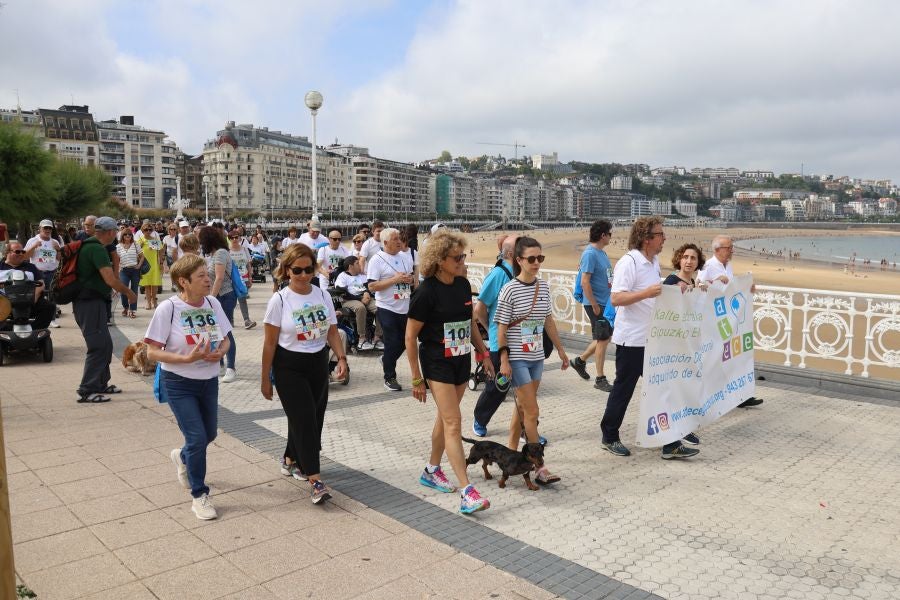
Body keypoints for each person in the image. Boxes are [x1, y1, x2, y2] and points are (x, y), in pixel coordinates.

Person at [406, 229, 494, 514]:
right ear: (440, 259)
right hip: (436, 362)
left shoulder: (462, 284)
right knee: (454, 423)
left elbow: (468, 323)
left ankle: (431, 470)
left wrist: (483, 353)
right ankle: (468, 492)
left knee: (445, 420)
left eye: (463, 256)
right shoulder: (425, 292)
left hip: (461, 359)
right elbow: (410, 337)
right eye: (457, 257)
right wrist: (417, 377)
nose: (462, 261)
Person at [600, 217, 699, 460]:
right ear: (647, 238)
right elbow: (616, 299)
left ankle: (670, 442)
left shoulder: (653, 261)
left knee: (663, 389)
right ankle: (609, 436)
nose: (664, 238)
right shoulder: (629, 262)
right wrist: (647, 292)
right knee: (624, 389)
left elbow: (654, 295)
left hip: (653, 338)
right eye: (660, 234)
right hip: (632, 340)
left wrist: (673, 291)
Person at [145, 254, 232, 520]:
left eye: (208, 275)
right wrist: (186, 358)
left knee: (209, 435)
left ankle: (182, 457)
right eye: (201, 277)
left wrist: (220, 352)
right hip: (179, 383)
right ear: (183, 282)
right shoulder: (168, 308)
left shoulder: (212, 303)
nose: (208, 280)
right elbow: (152, 353)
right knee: (196, 438)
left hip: (209, 380)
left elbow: (227, 339)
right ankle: (199, 495)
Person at [260, 243, 347, 505]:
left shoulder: (322, 296)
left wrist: (341, 358)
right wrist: (265, 378)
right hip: (288, 366)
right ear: (286, 270)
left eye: (309, 269)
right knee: (305, 419)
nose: (303, 275)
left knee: (312, 417)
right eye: (297, 270)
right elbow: (269, 343)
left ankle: (290, 458)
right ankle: (316, 480)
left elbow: (332, 331)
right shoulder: (280, 300)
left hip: (317, 363)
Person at [495, 236, 568, 485]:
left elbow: (548, 320)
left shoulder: (543, 287)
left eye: (540, 258)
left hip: (536, 356)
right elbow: (501, 328)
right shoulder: (509, 289)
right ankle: (540, 467)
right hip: (516, 358)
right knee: (533, 411)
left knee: (524, 409)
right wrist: (504, 360)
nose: (537, 263)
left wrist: (561, 349)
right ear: (519, 260)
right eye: (531, 258)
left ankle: (510, 454)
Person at [72, 217, 138, 403]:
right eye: (116, 231)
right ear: (109, 232)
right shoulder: (96, 249)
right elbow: (111, 280)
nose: (117, 234)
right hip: (89, 303)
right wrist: (129, 293)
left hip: (94, 302)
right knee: (97, 346)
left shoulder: (92, 246)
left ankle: (100, 383)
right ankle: (86, 390)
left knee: (106, 344)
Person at [700, 235, 763, 408]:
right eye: (728, 248)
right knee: (716, 361)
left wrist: (746, 288)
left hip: (729, 320)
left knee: (734, 357)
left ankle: (741, 396)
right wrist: (715, 281)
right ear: (717, 249)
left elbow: (731, 289)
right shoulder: (708, 266)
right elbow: (699, 286)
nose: (732, 250)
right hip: (714, 321)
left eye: (732, 247)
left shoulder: (728, 265)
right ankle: (710, 397)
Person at [662, 243, 707, 447]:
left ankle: (685, 428)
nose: (689, 261)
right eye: (685, 257)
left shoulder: (696, 285)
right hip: (673, 346)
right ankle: (672, 433)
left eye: (693, 258)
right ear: (679, 259)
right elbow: (664, 308)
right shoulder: (671, 281)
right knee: (675, 390)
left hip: (690, 346)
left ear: (698, 263)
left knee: (688, 389)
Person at [471, 235, 517, 437]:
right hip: (501, 341)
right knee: (499, 386)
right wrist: (491, 327)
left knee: (526, 390)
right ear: (510, 253)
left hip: (522, 341)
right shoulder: (498, 274)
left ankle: (526, 428)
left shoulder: (523, 273)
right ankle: (480, 418)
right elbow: (479, 308)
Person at [366, 227, 414, 391]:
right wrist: (394, 280)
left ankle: (386, 358)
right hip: (386, 307)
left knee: (405, 342)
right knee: (392, 341)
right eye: (395, 239)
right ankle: (389, 377)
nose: (399, 241)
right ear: (385, 242)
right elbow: (372, 286)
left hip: (405, 305)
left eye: (400, 238)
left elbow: (411, 278)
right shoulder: (376, 260)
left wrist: (410, 279)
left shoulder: (405, 257)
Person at [570, 220, 615, 391]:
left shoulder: (601, 253)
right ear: (603, 235)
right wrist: (595, 305)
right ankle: (600, 379)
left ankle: (579, 361)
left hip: (606, 302)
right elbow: (585, 282)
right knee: (603, 340)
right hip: (597, 303)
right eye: (610, 234)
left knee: (604, 337)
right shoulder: (590, 254)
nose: (611, 237)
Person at [199, 226, 238, 383]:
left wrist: (210, 300)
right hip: (219, 296)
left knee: (225, 332)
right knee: (215, 331)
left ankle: (231, 367)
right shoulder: (216, 254)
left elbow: (219, 278)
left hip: (224, 296)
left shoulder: (221, 253)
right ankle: (220, 363)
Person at [0, 241, 55, 331]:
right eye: (17, 252)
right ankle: (6, 330)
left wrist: (34, 297)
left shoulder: (31, 267)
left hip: (28, 300)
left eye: (23, 252)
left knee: (49, 306)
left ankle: (34, 330)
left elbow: (41, 284)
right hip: (4, 302)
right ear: (7, 253)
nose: (21, 254)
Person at [334, 256, 381, 350]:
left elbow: (368, 286)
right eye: (357, 263)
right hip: (349, 300)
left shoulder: (361, 275)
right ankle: (362, 339)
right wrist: (360, 299)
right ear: (350, 266)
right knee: (360, 308)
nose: (360, 265)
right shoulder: (342, 276)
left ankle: (377, 338)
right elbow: (343, 293)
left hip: (364, 298)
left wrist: (367, 293)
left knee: (381, 307)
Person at [24, 219, 62, 327]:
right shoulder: (33, 240)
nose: (47, 230)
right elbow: (25, 256)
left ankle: (52, 319)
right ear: (40, 228)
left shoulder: (55, 241)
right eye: (45, 228)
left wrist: (58, 250)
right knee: (36, 295)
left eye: (49, 228)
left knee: (52, 295)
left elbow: (59, 259)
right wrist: (34, 246)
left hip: (52, 272)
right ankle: (32, 316)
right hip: (37, 273)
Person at [228, 231, 256, 329]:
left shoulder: (244, 249)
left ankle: (247, 320)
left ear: (240, 238)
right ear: (230, 239)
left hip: (243, 278)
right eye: (232, 238)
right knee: (231, 301)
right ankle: (230, 321)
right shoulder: (227, 251)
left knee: (242, 299)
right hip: (231, 279)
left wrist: (250, 277)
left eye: (236, 237)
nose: (235, 239)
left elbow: (248, 264)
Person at [116, 230, 144, 318]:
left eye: (129, 234)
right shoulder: (118, 246)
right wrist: (117, 270)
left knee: (134, 290)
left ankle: (132, 310)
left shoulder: (135, 244)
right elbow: (116, 260)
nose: (128, 236)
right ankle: (125, 307)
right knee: (123, 289)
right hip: (124, 270)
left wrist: (139, 266)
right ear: (122, 236)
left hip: (135, 270)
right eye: (125, 234)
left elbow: (142, 256)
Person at [137, 222, 164, 310]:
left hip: (154, 265)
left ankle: (154, 301)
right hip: (145, 265)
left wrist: (161, 263)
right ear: (142, 230)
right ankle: (148, 302)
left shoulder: (155, 240)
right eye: (146, 230)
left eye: (150, 230)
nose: (148, 231)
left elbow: (160, 252)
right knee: (147, 285)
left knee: (154, 284)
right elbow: (137, 253)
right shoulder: (140, 241)